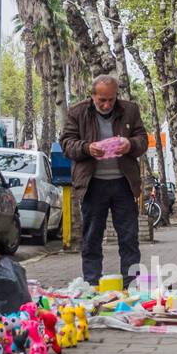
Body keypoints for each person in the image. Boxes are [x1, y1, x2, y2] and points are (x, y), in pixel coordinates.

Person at [59, 74, 149, 285]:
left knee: (129, 236)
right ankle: (91, 283)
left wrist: (130, 144)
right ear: (92, 96)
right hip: (92, 184)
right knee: (91, 237)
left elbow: (143, 140)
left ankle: (131, 283)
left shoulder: (130, 110)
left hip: (123, 183)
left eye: (111, 99)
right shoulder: (77, 112)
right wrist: (87, 148)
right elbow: (66, 143)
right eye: (102, 100)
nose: (107, 104)